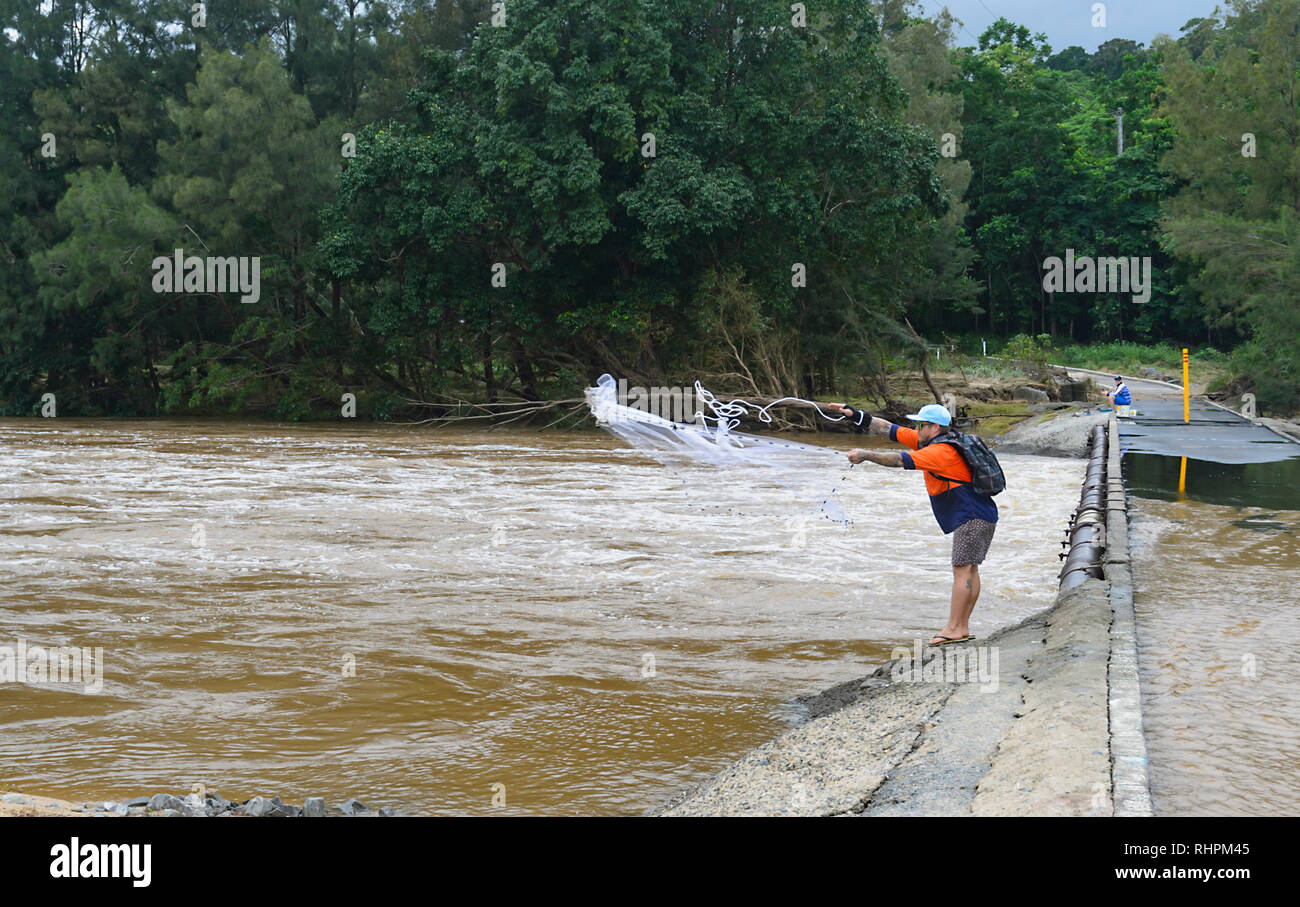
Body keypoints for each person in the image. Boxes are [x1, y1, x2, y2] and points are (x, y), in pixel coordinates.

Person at [823, 402, 998, 647]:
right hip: (981, 513)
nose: (916, 428)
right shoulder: (942, 441)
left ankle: (954, 628)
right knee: (970, 570)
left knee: (962, 570)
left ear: (934, 427)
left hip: (971, 516)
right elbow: (890, 430)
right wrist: (855, 415)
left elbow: (899, 460)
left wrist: (865, 455)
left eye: (921, 425)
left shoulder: (940, 453)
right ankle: (962, 626)